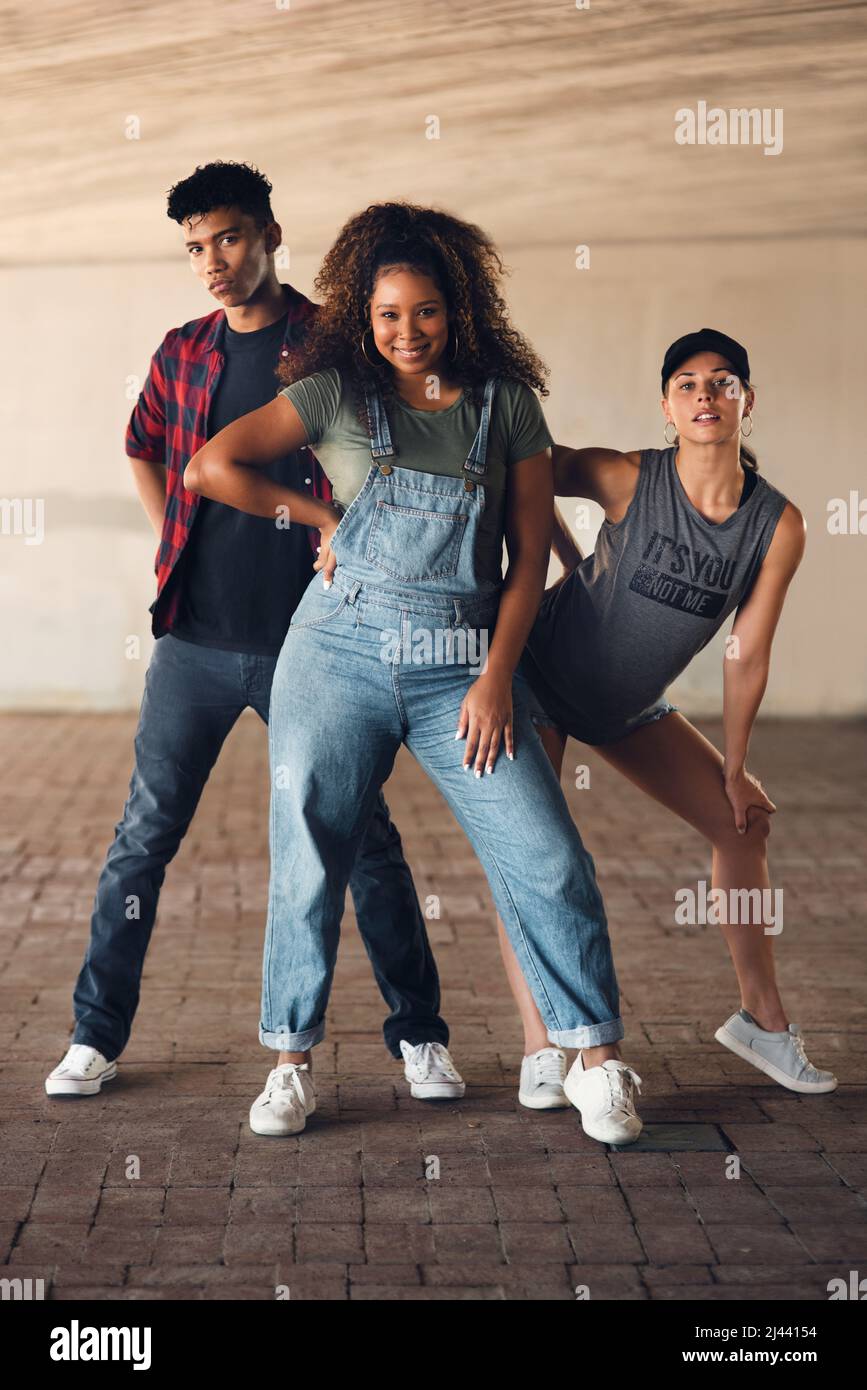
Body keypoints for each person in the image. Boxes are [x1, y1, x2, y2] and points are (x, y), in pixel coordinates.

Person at [184, 200, 645, 1144]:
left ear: (458, 309)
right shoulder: (331, 393)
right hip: (337, 651)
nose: (406, 332)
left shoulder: (504, 404)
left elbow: (524, 562)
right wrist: (321, 526)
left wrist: (492, 680)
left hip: (463, 664)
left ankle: (595, 1061)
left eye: (425, 312)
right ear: (363, 311)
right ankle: (289, 1064)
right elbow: (210, 467)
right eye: (389, 314)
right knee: (310, 846)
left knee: (545, 853)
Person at [45, 162, 459, 1105]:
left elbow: (393, 460)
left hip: (314, 644)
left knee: (366, 842)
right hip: (193, 639)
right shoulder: (183, 350)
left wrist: (336, 535)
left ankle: (420, 1036)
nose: (213, 262)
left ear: (269, 232)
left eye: (228, 238)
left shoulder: (337, 348)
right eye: (195, 247)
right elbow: (146, 447)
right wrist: (172, 539)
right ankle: (93, 1037)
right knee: (142, 840)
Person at [506, 327, 837, 1106]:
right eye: (686, 384)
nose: (704, 395)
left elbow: (744, 654)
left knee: (741, 825)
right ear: (666, 405)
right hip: (537, 678)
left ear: (744, 402)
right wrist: (560, 554)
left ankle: (761, 1020)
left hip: (628, 705)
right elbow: (524, 468)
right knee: (532, 853)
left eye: (721, 383)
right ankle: (541, 1048)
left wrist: (733, 767)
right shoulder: (628, 477)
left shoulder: (774, 526)